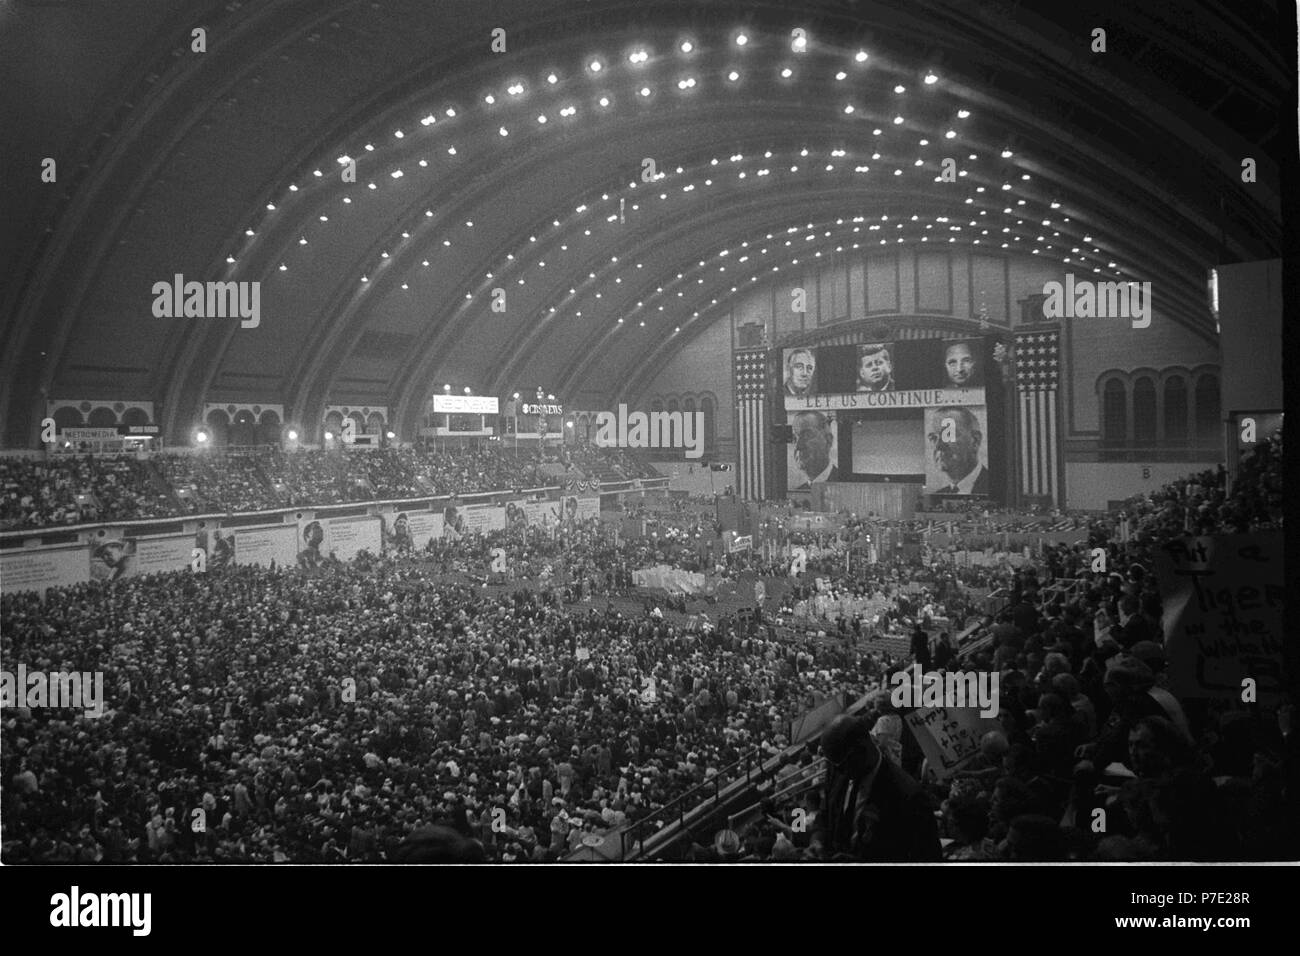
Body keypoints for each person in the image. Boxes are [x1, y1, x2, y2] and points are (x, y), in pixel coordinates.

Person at [810, 715, 941, 861]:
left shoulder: (910, 796)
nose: (838, 772)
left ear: (862, 750)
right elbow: (825, 813)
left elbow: (928, 858)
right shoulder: (837, 767)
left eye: (841, 766)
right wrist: (817, 840)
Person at [927, 406, 988, 495]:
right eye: (933, 438)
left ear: (975, 440)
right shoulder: (938, 496)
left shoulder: (996, 485)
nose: (938, 446)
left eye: (948, 435)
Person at [790, 411, 838, 488]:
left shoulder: (847, 483)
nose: (798, 446)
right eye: (794, 438)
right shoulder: (798, 492)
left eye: (807, 436)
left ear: (828, 441)